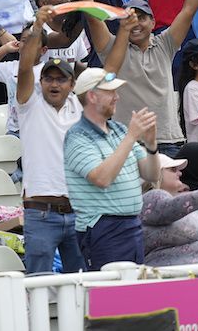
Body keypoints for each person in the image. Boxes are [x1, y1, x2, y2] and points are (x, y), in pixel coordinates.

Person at [64, 67, 161, 269]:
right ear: (92, 96)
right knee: (111, 288)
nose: (117, 97)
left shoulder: (119, 130)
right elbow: (102, 179)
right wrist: (132, 137)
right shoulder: (77, 136)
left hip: (131, 225)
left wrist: (151, 145)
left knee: (132, 287)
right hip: (103, 229)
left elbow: (152, 174)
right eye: (110, 92)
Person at [14, 7, 84, 274]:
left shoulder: (79, 107)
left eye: (61, 79)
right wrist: (37, 27)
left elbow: (110, 70)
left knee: (82, 284)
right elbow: (24, 67)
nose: (54, 84)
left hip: (79, 210)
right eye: (48, 79)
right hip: (40, 212)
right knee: (38, 283)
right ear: (40, 81)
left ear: (72, 85)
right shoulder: (29, 104)